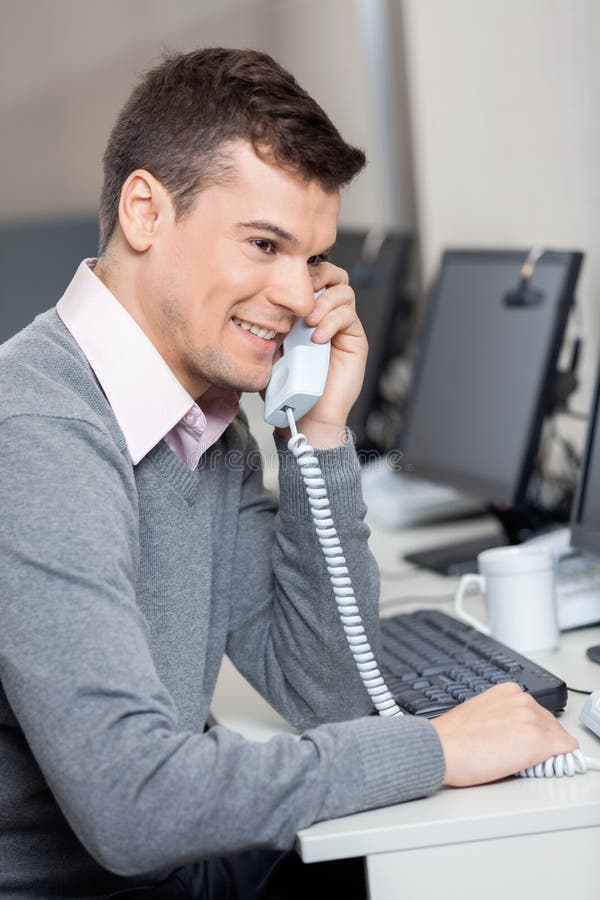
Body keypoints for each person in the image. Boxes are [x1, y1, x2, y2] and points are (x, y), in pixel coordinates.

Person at [0, 47, 577, 900]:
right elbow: (134, 806)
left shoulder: (203, 425)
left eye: (310, 259)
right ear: (146, 212)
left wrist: (320, 433)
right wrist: (435, 748)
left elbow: (325, 693)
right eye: (264, 244)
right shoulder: (38, 434)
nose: (302, 297)